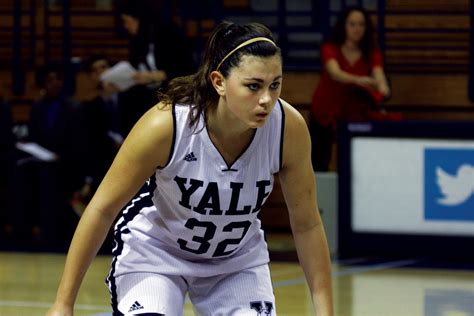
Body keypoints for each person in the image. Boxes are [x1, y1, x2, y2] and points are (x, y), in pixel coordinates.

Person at [47, 21, 333, 316]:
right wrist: (63, 303)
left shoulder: (288, 128)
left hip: (235, 262)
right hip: (156, 252)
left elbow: (307, 224)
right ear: (219, 81)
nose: (266, 99)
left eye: (275, 85)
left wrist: (325, 312)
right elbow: (102, 208)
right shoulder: (167, 125)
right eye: (253, 86)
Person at [8, 63, 86, 250]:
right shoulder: (38, 106)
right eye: (50, 79)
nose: (55, 83)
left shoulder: (73, 107)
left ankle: (55, 236)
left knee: (51, 181)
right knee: (20, 175)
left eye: (58, 79)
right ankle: (27, 233)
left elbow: (80, 142)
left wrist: (61, 156)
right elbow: (34, 136)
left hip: (67, 163)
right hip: (43, 162)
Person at [310, 6, 391, 171]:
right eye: (352, 24)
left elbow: (379, 77)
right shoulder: (329, 48)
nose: (357, 29)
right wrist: (360, 80)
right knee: (319, 162)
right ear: (344, 26)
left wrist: (382, 89)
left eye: (361, 24)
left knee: (354, 162)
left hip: (352, 116)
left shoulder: (372, 52)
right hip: (324, 111)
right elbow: (335, 73)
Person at [118, 0, 195, 135]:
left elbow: (187, 68)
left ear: (138, 19)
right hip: (149, 89)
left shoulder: (169, 33)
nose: (125, 26)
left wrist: (158, 75)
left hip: (173, 87)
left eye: (127, 21)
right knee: (126, 99)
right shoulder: (137, 41)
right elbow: (136, 65)